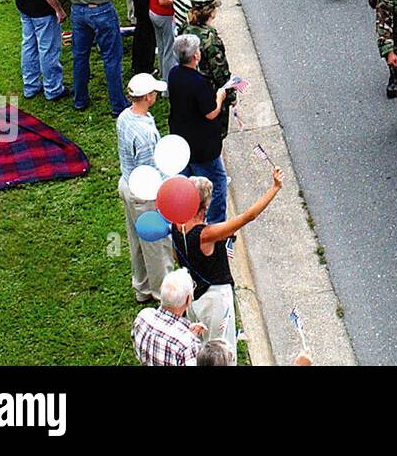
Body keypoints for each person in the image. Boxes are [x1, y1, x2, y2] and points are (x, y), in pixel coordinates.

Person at [173, 165, 283, 357]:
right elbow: (249, 216)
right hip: (215, 300)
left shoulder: (176, 224)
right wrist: (274, 187)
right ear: (204, 206)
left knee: (199, 345)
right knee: (221, 350)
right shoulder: (205, 234)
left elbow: (176, 256)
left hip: (192, 295)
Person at [117, 72, 173, 303]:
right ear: (147, 96)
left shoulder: (124, 117)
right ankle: (163, 295)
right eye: (154, 93)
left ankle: (142, 288)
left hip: (127, 184)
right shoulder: (147, 134)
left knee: (137, 242)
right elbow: (150, 170)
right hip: (145, 195)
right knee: (156, 247)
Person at [168, 33, 232, 224]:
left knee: (186, 182)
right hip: (202, 146)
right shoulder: (198, 82)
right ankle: (216, 224)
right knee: (217, 184)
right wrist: (220, 96)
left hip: (181, 139)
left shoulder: (174, 74)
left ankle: (186, 218)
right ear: (195, 56)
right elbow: (211, 112)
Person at [132, 268, 204, 367]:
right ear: (188, 299)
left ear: (161, 290)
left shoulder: (143, 316)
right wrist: (188, 336)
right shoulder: (188, 345)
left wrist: (187, 333)